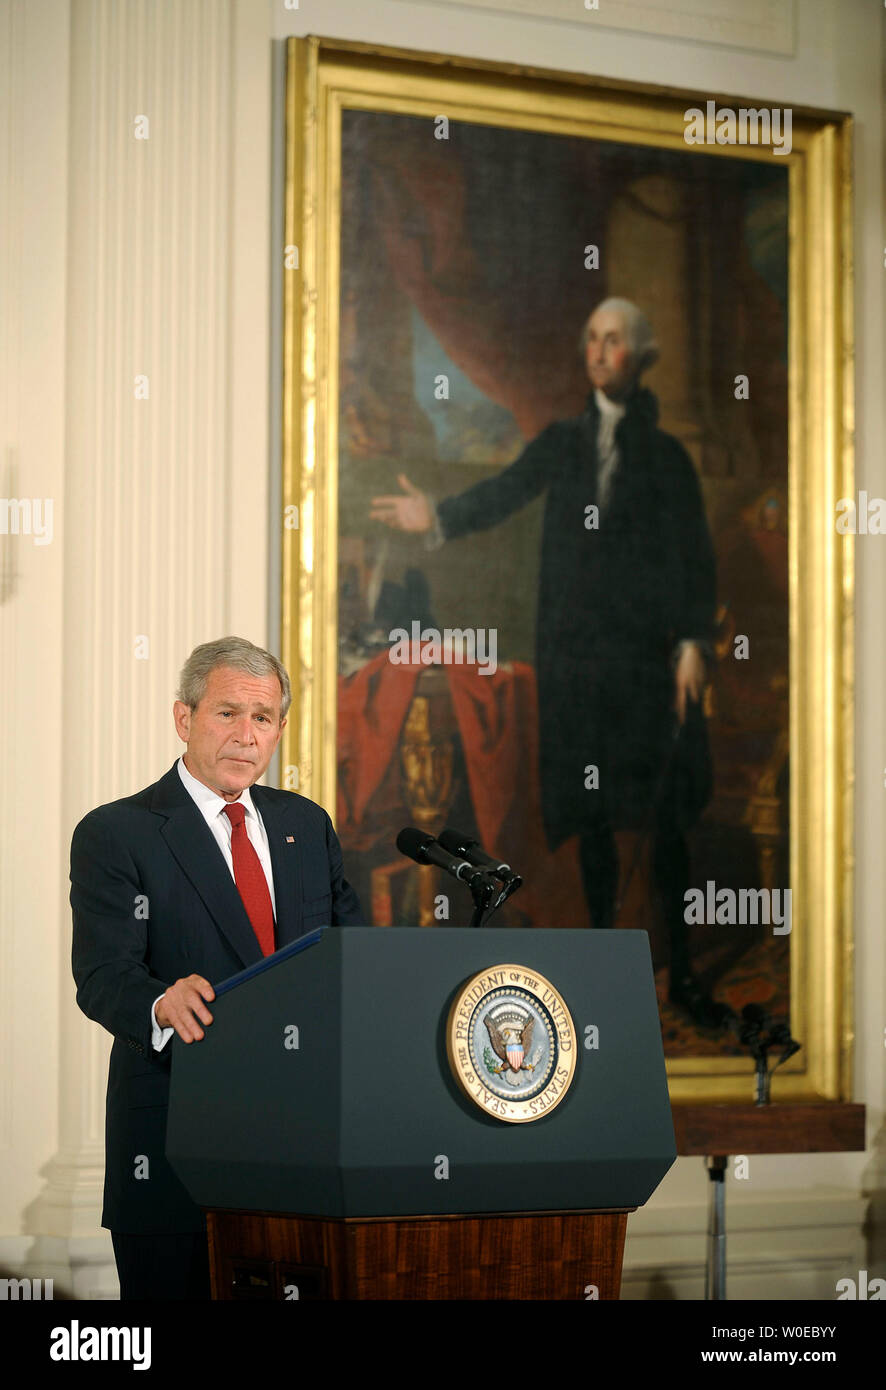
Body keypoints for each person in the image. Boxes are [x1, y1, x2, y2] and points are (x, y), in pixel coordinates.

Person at [370, 297, 727, 1028]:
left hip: (644, 666)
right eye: (592, 339)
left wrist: (693, 644)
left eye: (616, 341)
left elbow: (694, 554)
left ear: (641, 355)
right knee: (591, 817)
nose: (600, 352)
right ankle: (604, 967)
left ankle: (683, 971)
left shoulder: (666, 459)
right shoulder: (563, 443)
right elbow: (504, 494)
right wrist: (434, 516)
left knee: (662, 822)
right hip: (576, 664)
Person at [71, 637, 363, 1299]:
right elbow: (102, 974)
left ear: (280, 730)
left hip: (304, 1146)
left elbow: (351, 956)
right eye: (226, 713)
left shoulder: (306, 825)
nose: (246, 734)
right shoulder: (119, 832)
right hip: (178, 1143)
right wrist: (159, 1004)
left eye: (263, 718)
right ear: (184, 718)